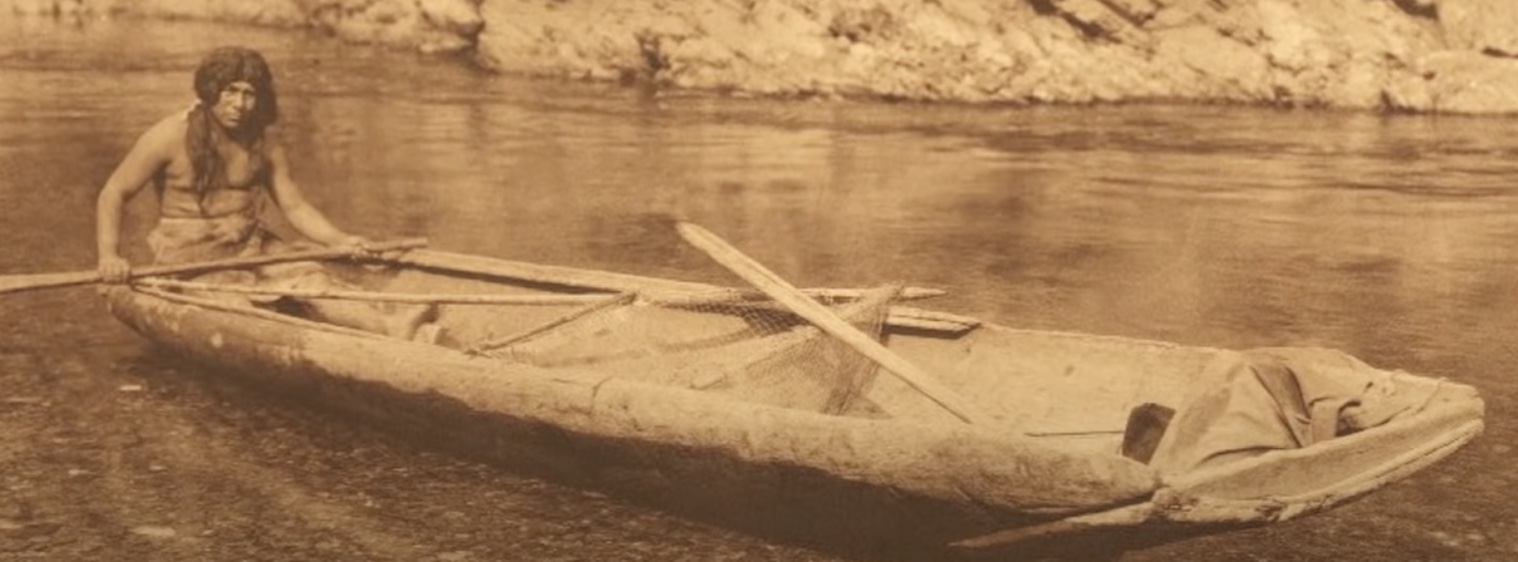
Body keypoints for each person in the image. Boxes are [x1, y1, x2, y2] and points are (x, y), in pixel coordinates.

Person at [95, 46, 436, 341]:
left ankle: (398, 328)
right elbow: (114, 192)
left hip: (253, 247)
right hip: (189, 258)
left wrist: (339, 240)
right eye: (230, 91)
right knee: (234, 308)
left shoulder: (265, 141)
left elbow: (296, 206)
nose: (239, 104)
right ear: (210, 90)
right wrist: (110, 256)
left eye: (249, 93)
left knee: (312, 279)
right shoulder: (169, 135)